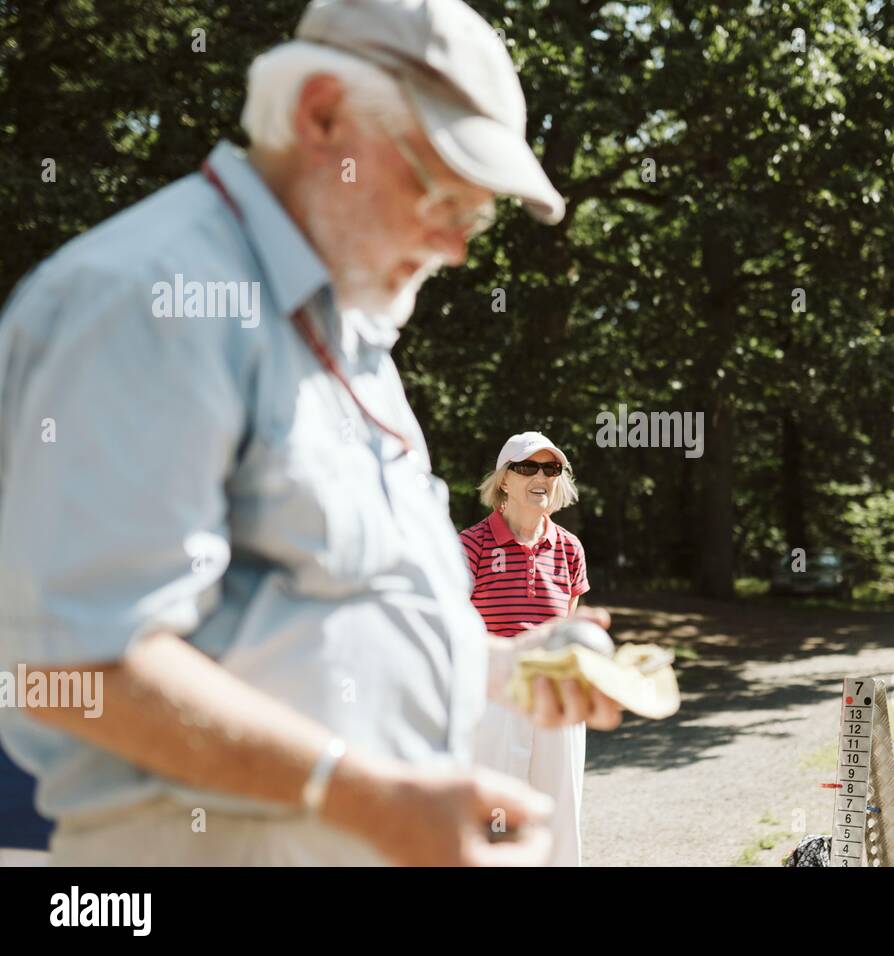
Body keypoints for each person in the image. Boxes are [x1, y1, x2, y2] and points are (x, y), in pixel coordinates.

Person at [0, 0, 621, 866]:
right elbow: (75, 672)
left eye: (475, 214)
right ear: (321, 114)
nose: (454, 246)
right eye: (440, 188)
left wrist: (517, 668)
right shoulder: (147, 299)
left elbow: (345, 621)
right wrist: (364, 796)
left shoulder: (353, 340)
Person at [461, 432, 591, 866]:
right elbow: (455, 630)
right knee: (498, 817)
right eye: (527, 467)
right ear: (504, 480)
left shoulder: (570, 548)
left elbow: (568, 626)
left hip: (557, 696)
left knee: (559, 812)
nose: (540, 476)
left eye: (551, 469)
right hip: (496, 696)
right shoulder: (471, 545)